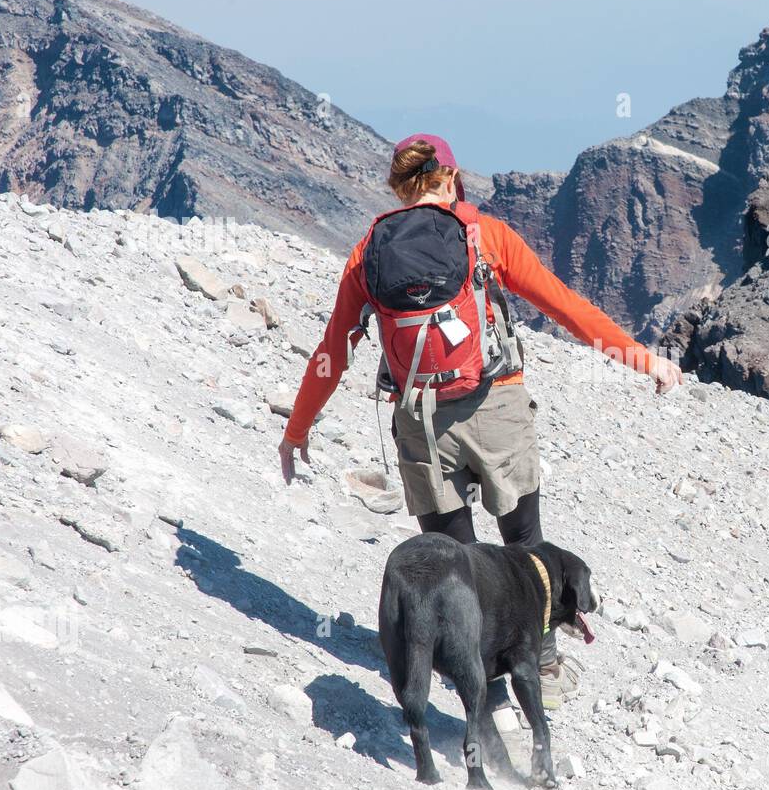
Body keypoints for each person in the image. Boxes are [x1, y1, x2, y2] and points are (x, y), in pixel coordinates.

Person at [278, 133, 682, 717]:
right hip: (497, 409)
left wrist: (297, 429)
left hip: (420, 422)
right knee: (524, 543)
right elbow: (564, 305)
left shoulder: (368, 253)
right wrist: (642, 358)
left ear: (400, 186)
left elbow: (331, 354)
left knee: (459, 562)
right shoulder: (484, 236)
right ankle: (539, 664)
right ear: (451, 178)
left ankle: (481, 692)